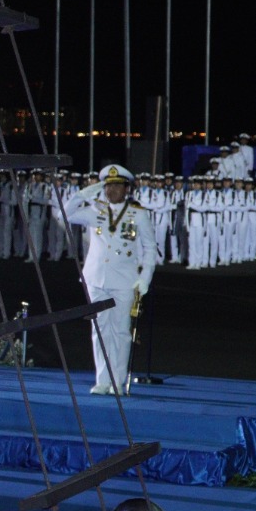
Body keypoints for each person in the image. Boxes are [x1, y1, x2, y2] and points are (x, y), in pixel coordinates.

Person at [56, 163, 157, 395]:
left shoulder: (138, 214)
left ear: (126, 189)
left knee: (121, 331)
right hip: (96, 279)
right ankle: (102, 380)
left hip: (124, 280)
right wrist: (82, 195)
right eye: (108, 186)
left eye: (117, 186)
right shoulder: (96, 211)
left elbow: (150, 248)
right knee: (99, 329)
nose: (111, 191)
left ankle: (117, 382)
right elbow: (64, 213)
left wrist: (145, 277)